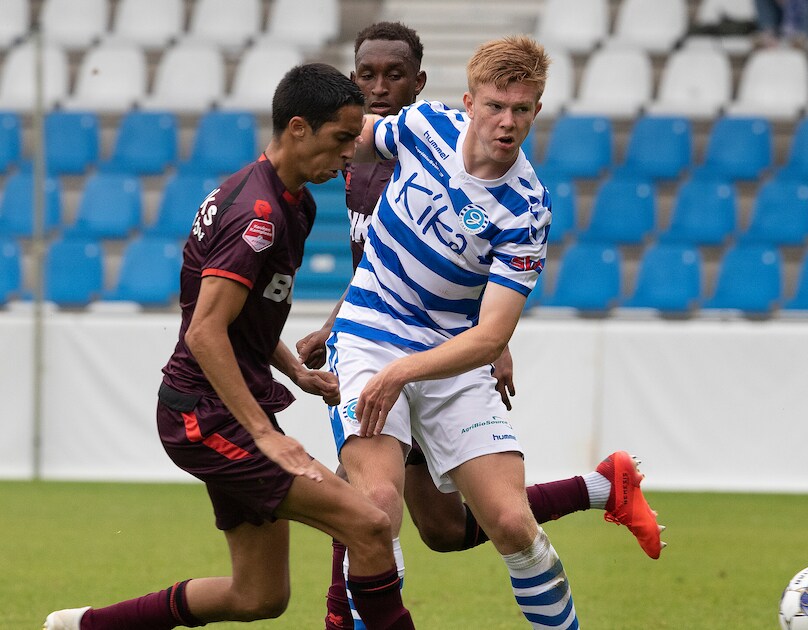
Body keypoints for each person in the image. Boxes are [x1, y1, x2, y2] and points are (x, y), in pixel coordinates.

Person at [293, 22, 664, 630]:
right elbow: (354, 136)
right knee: (377, 506)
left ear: (537, 111)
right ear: (469, 103)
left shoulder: (527, 209)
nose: (506, 122)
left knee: (512, 525)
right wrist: (285, 160)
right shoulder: (424, 126)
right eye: (494, 105)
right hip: (366, 334)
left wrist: (403, 374)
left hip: (449, 355)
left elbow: (490, 337)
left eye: (521, 110)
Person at [44, 64, 416, 630]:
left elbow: (241, 320)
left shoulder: (292, 201)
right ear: (297, 128)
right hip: (207, 416)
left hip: (226, 408)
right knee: (368, 526)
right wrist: (266, 435)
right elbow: (205, 330)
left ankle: (85, 627)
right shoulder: (257, 214)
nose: (350, 155)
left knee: (258, 597)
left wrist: (296, 372)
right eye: (341, 138)